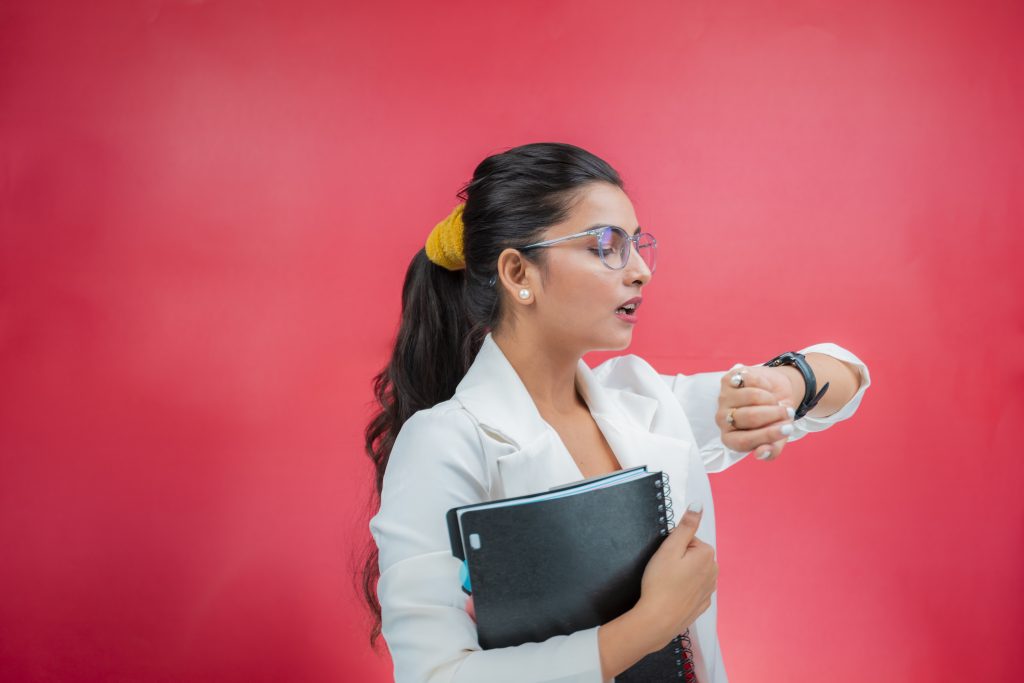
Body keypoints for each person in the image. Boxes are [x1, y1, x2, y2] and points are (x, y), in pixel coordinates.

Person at [361, 142, 870, 682]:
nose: (641, 272)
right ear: (518, 273)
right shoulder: (444, 442)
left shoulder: (645, 401)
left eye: (637, 244)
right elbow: (433, 673)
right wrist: (648, 626)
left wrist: (786, 382)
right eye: (606, 245)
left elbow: (847, 373)